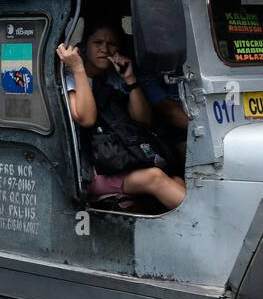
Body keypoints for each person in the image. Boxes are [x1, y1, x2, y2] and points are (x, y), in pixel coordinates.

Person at [56, 20, 185, 210]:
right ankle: (210, 229)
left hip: (128, 158)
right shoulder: (72, 78)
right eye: (97, 43)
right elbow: (86, 118)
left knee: (176, 179)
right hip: (97, 169)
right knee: (155, 178)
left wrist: (130, 80)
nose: (104, 49)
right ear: (85, 46)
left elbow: (143, 119)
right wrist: (78, 69)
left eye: (111, 44)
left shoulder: (115, 78)